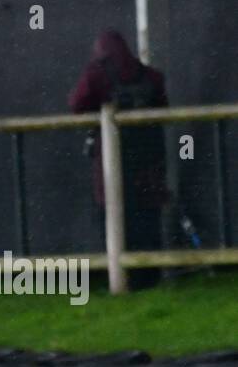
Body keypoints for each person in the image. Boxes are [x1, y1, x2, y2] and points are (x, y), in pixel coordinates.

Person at [68, 29, 168, 289]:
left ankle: (119, 276)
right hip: (148, 158)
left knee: (112, 215)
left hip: (112, 161)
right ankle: (149, 276)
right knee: (146, 216)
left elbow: (76, 104)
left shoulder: (97, 75)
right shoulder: (150, 77)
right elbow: (164, 107)